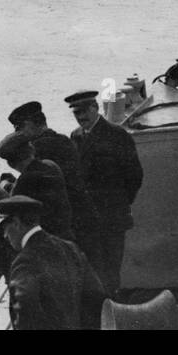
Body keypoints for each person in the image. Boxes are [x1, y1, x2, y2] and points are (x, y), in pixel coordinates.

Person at [65, 90, 143, 296]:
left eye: (84, 112)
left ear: (95, 108)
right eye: (76, 114)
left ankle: (112, 310)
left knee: (110, 267)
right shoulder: (76, 136)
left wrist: (119, 203)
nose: (81, 117)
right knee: (93, 267)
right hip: (87, 219)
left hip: (112, 216)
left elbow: (134, 175)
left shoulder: (117, 135)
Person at [7, 100, 100, 263]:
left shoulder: (38, 149)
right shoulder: (64, 140)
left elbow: (31, 184)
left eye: (18, 128)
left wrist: (7, 186)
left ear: (28, 124)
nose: (18, 134)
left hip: (66, 224)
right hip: (84, 215)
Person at [0, 194, 105, 330]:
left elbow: (24, 308)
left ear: (16, 223)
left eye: (5, 227)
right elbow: (96, 295)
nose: (5, 235)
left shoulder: (25, 260)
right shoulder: (70, 248)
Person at [0, 131, 74, 241]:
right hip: (65, 236)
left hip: (45, 242)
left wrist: (3, 184)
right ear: (31, 150)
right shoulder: (51, 165)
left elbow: (16, 196)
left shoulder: (23, 183)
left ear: (11, 164)